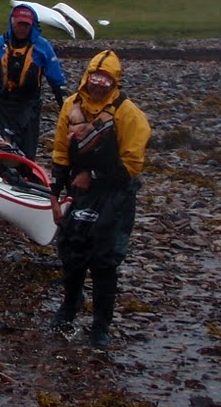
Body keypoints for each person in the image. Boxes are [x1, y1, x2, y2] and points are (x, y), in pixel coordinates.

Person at [47, 50, 150, 348]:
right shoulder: (71, 106)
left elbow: (132, 165)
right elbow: (60, 152)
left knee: (105, 260)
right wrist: (55, 194)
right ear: (87, 77)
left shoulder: (128, 114)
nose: (98, 85)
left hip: (115, 194)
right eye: (95, 78)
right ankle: (70, 305)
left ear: (114, 82)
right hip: (80, 190)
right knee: (71, 250)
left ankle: (101, 325)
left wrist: (93, 175)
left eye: (105, 80)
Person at [0, 3, 68, 160]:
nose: (22, 29)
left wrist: (65, 109)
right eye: (19, 24)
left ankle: (25, 171)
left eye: (26, 25)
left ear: (32, 26)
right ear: (12, 23)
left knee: (26, 154)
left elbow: (57, 81)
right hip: (1, 105)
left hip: (28, 106)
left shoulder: (42, 47)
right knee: (1, 151)